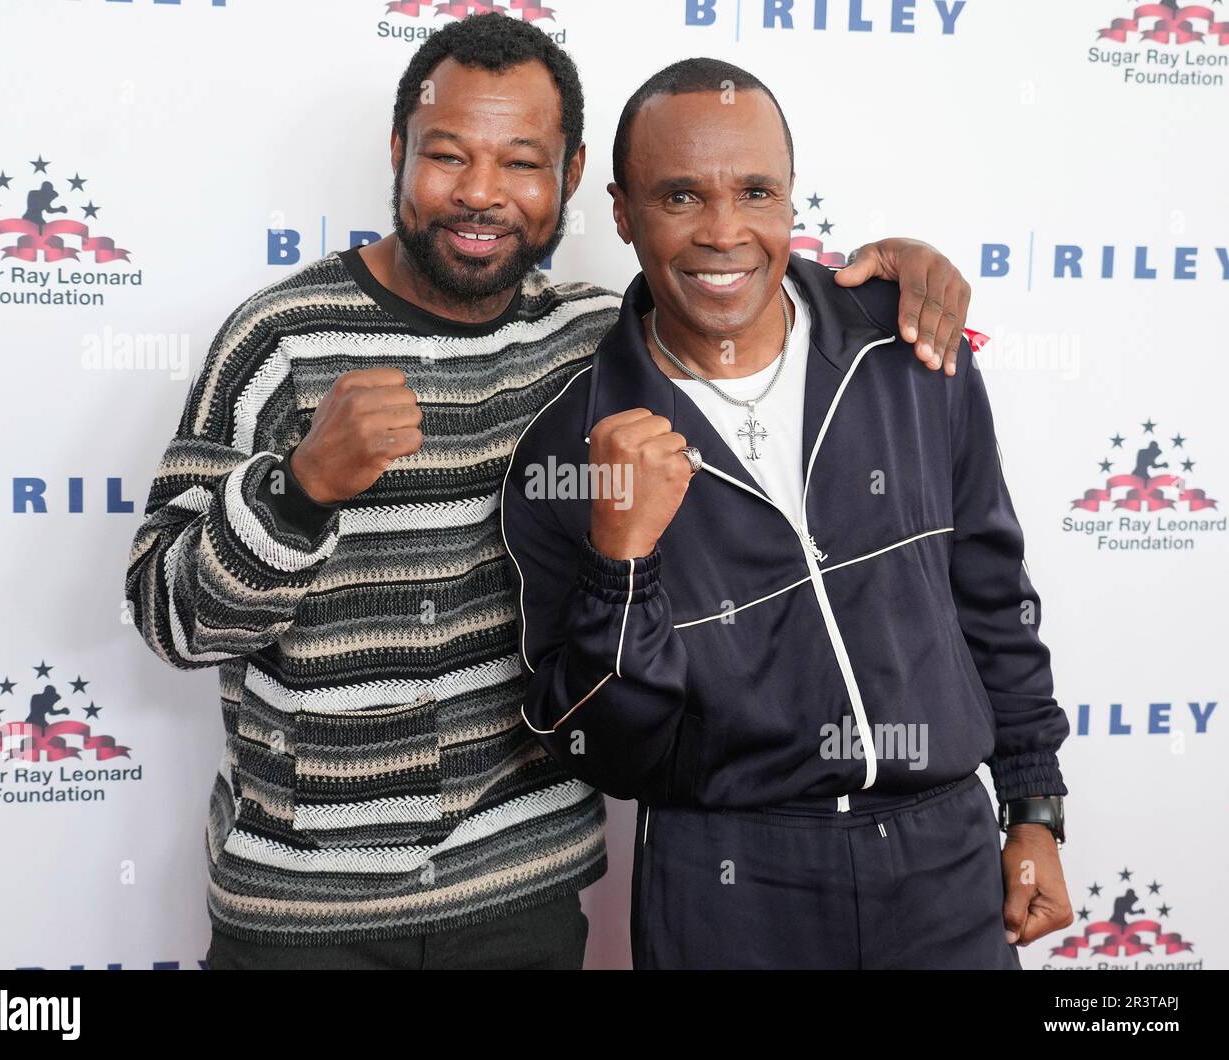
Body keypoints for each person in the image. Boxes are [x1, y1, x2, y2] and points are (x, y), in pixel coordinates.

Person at [125, 14, 978, 970]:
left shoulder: (597, 347)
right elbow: (168, 619)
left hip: (523, 899)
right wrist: (297, 491)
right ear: (399, 152)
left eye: (522, 163)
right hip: (304, 914)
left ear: (572, 182)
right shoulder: (277, 342)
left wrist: (903, 271)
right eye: (448, 156)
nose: (481, 195)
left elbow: (731, 277)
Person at [500, 57, 1073, 970]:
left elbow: (992, 595)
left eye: (756, 191)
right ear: (621, 213)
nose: (724, 232)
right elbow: (603, 750)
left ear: (793, 197)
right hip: (725, 881)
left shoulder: (908, 347)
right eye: (680, 197)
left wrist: (1034, 808)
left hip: (944, 861)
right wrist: (621, 563)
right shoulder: (573, 445)